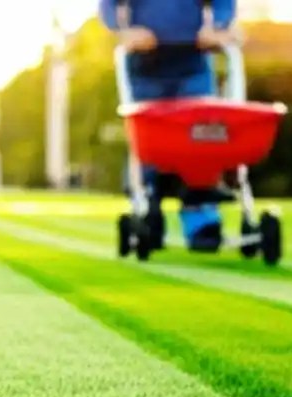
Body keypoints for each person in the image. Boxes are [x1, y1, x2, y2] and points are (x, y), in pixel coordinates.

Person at [100, 0, 242, 251]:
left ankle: (201, 218)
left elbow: (223, 3)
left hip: (192, 62)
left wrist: (217, 27)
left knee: (199, 137)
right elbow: (109, 5)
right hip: (145, 63)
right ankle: (147, 208)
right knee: (148, 140)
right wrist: (125, 31)